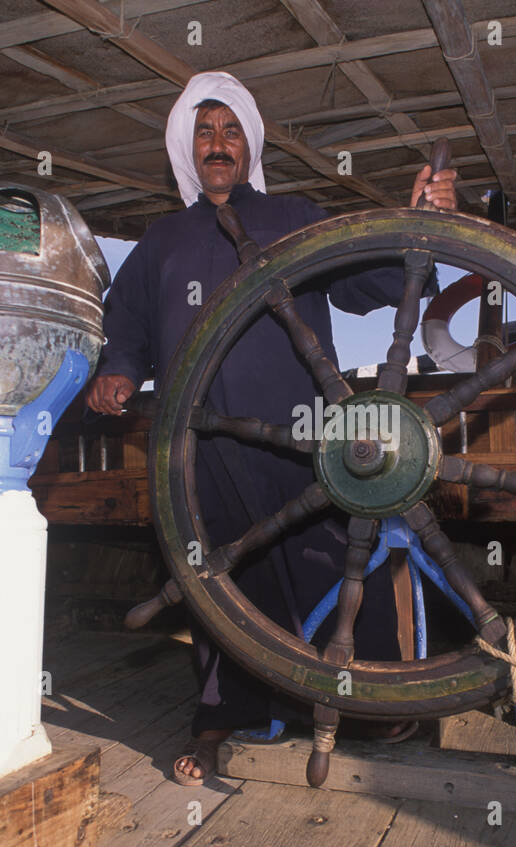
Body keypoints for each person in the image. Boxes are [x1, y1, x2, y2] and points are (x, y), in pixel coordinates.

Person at [86, 72, 458, 784]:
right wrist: (119, 370)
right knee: (214, 575)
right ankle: (222, 712)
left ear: (250, 145)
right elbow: (124, 323)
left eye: (231, 132)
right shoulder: (160, 242)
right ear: (186, 148)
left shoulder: (294, 217)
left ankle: (369, 700)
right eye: (205, 132)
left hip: (301, 435)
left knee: (332, 555)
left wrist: (421, 224)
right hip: (202, 445)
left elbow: (372, 277)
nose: (218, 144)